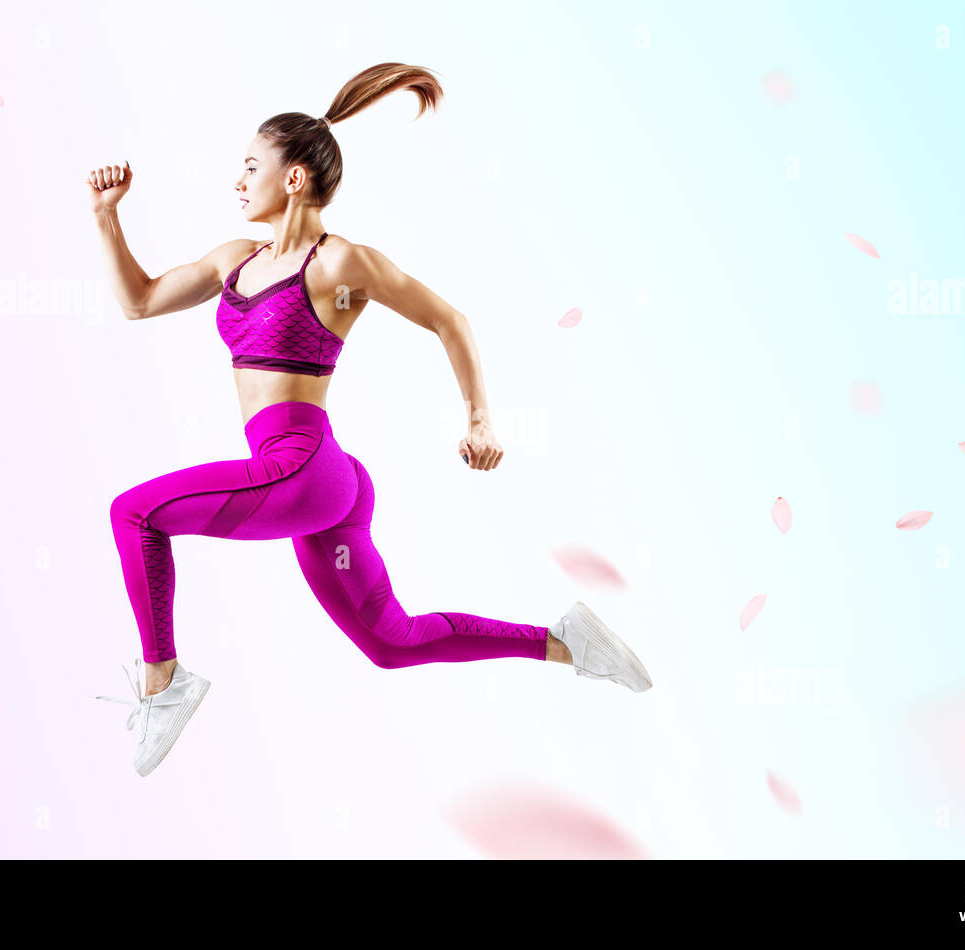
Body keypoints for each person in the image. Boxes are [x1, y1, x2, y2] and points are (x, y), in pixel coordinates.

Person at [86, 63, 652, 778]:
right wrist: (107, 217)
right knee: (391, 642)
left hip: (299, 468)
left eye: (251, 166)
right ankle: (566, 642)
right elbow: (137, 301)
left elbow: (449, 319)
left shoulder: (337, 265)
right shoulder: (235, 261)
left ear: (294, 179)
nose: (237, 180)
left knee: (135, 514)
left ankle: (163, 682)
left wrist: (481, 420)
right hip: (327, 485)